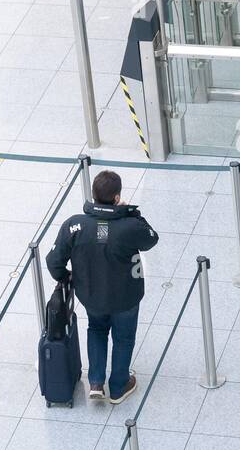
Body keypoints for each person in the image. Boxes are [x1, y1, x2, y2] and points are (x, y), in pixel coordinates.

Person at [46, 170, 158, 403]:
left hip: (91, 295)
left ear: (93, 195)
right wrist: (133, 213)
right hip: (126, 296)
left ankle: (96, 382)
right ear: (117, 197)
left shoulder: (74, 225)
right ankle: (119, 386)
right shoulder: (129, 226)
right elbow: (151, 239)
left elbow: (54, 260)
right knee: (123, 338)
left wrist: (66, 277)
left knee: (96, 330)